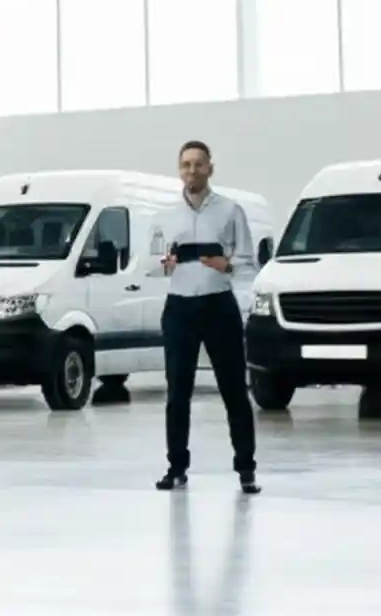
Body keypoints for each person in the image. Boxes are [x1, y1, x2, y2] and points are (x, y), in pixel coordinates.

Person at [156, 141, 260, 495]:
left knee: (233, 389)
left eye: (199, 165)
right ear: (179, 169)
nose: (192, 171)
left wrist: (227, 264)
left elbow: (248, 261)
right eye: (185, 165)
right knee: (177, 393)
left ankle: (246, 469)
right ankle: (176, 467)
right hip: (179, 308)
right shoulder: (166, 215)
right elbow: (148, 261)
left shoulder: (230, 210)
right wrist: (163, 265)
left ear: (210, 169)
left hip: (218, 306)